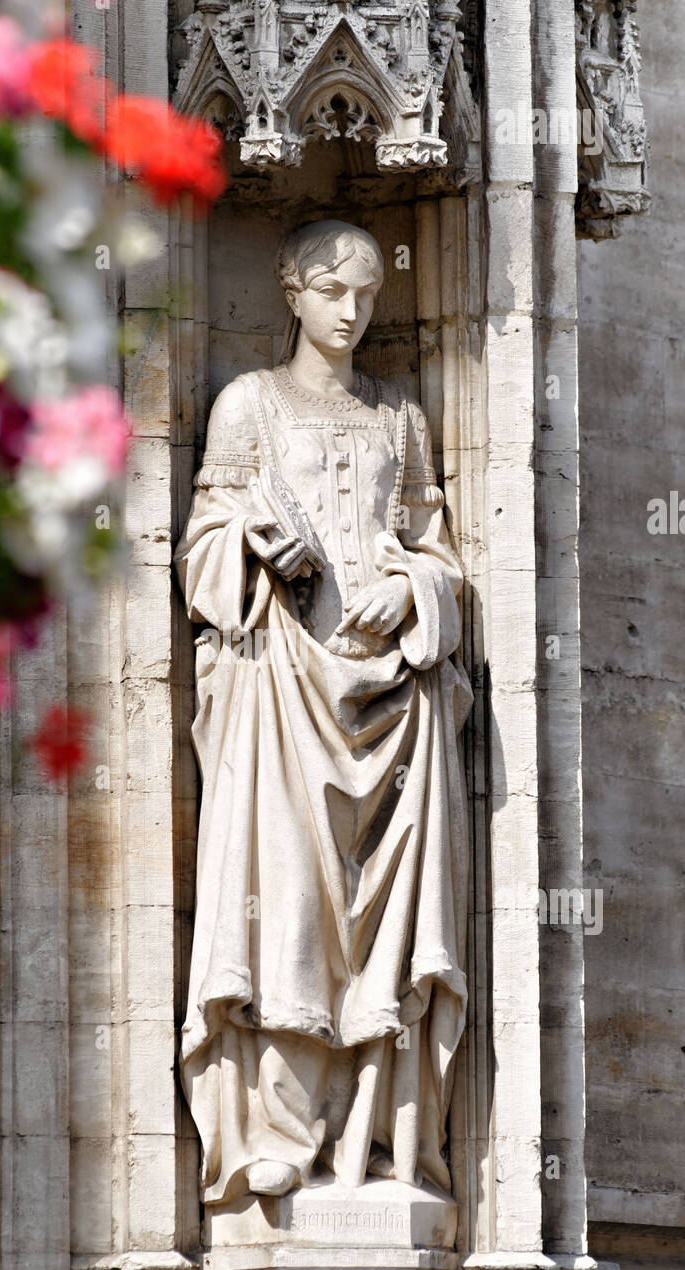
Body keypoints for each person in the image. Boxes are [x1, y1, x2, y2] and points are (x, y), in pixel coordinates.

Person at [174, 220, 472, 1204]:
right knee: (285, 899)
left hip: (391, 702)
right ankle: (277, 1125)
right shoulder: (247, 407)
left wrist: (414, 593)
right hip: (277, 691)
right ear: (289, 290)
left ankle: (379, 1132)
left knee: (386, 914)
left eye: (369, 294)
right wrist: (260, 549)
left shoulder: (399, 421)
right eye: (332, 289)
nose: (352, 311)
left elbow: (434, 553)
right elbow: (202, 551)